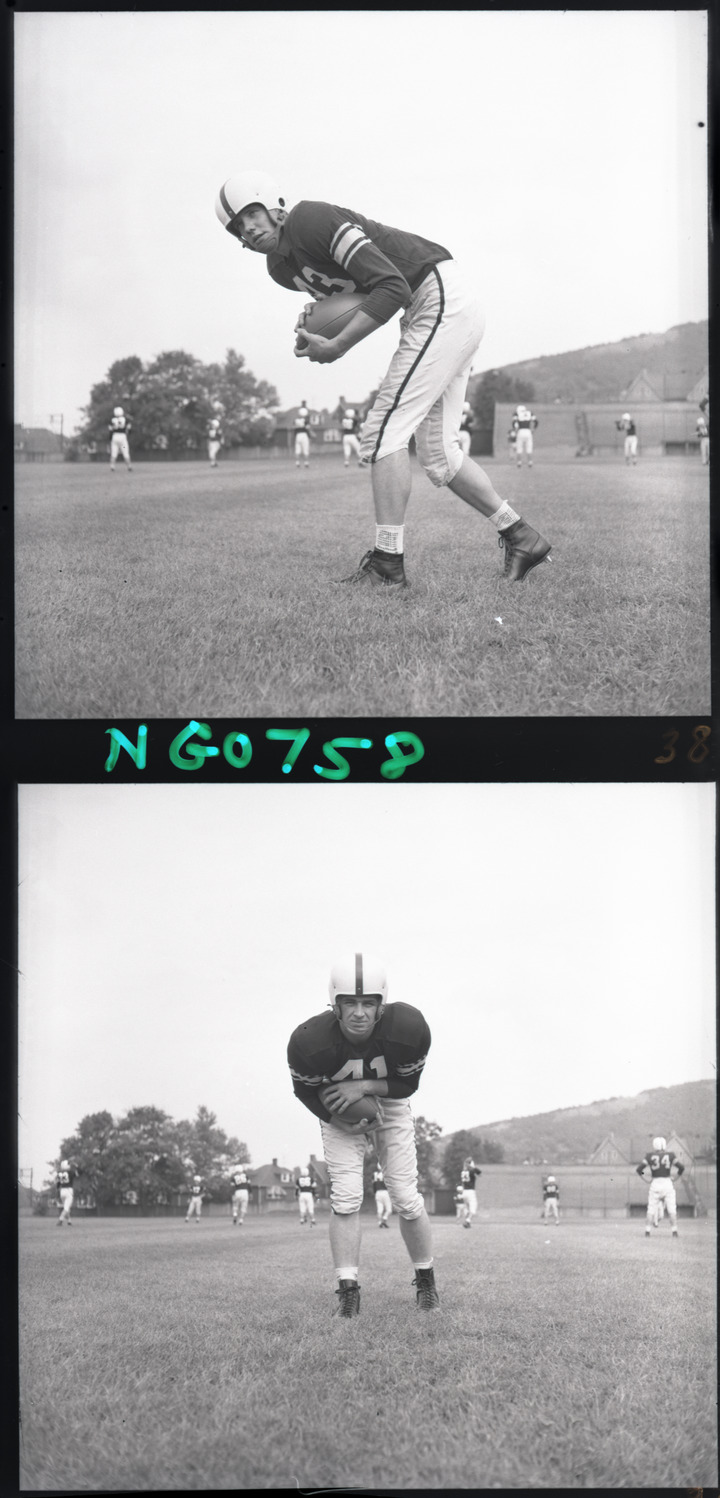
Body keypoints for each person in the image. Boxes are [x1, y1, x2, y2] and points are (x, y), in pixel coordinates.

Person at [216, 172, 551, 588]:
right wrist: (314, 317)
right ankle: (521, 536)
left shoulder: (310, 220)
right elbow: (350, 296)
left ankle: (387, 563)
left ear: (274, 207)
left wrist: (337, 344)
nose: (248, 227)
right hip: (434, 307)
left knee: (382, 432)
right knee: (439, 455)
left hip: (436, 295)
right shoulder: (280, 271)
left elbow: (391, 287)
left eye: (251, 213)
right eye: (237, 226)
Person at [287, 952, 440, 1317]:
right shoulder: (308, 1041)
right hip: (338, 1109)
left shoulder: (409, 1028)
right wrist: (333, 1117)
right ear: (335, 1006)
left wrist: (364, 1087)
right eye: (350, 1003)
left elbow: (407, 1084)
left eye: (368, 1003)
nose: (359, 1012)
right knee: (346, 1197)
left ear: (381, 1006)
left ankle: (427, 1283)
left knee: (404, 1195)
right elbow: (305, 1091)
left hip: (388, 1101)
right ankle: (348, 1292)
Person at [636, 1137, 684, 1238]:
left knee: (651, 1209)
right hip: (667, 1183)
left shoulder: (650, 1156)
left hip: (655, 1183)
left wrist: (646, 1178)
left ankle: (647, 1231)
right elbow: (681, 1167)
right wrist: (676, 1177)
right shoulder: (670, 1155)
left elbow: (639, 1169)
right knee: (672, 1209)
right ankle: (674, 1231)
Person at [108, 406, 133, 472]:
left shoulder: (111, 420)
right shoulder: (125, 419)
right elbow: (129, 429)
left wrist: (110, 438)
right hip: (122, 437)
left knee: (114, 453)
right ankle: (129, 466)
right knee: (125, 452)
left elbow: (110, 430)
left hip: (115, 437)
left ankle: (112, 466)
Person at [459, 1157, 481, 1228]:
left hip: (464, 1191)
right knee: (473, 1207)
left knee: (468, 1209)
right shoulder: (471, 1170)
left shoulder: (463, 1171)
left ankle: (467, 1222)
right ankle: (468, 1221)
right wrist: (473, 1166)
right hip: (470, 1191)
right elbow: (479, 1172)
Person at [339, 401, 363, 467]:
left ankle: (346, 462)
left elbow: (343, 417)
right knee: (358, 448)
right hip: (352, 436)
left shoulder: (343, 420)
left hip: (345, 436)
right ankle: (360, 462)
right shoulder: (354, 420)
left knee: (347, 449)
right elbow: (358, 420)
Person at [55, 1159, 77, 1227]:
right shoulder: (70, 1172)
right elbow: (80, 1172)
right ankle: (60, 1220)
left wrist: (57, 1192)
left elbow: (58, 1184)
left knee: (66, 1207)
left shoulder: (59, 1173)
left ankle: (69, 1221)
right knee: (66, 1208)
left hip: (62, 1191)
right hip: (68, 1191)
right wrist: (76, 1165)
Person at [372, 1163, 392, 1228]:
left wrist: (375, 1192)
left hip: (377, 1193)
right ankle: (384, 1219)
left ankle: (380, 1222)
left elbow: (374, 1185)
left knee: (379, 1210)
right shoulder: (386, 1174)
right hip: (385, 1192)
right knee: (389, 1210)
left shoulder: (375, 1174)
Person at [294, 402, 312, 468]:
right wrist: (310, 435)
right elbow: (308, 428)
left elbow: (294, 427)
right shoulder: (305, 420)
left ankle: (297, 462)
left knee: (297, 449)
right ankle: (306, 462)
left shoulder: (296, 420)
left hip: (297, 435)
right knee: (305, 449)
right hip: (304, 435)